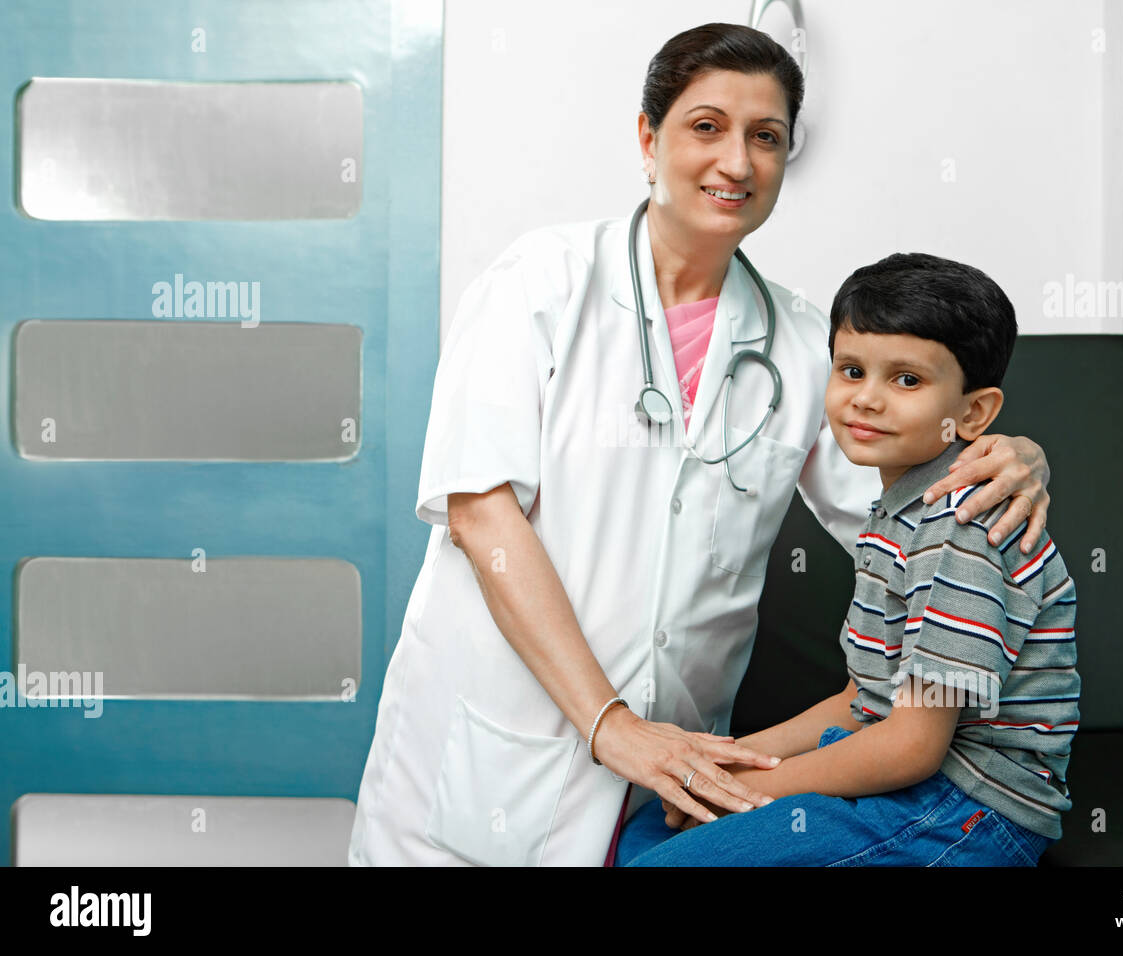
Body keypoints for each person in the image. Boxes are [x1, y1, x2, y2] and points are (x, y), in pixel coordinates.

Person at [347, 24, 1055, 868]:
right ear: (649, 139)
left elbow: (901, 508)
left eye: (768, 138)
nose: (738, 162)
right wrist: (609, 724)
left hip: (673, 763)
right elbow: (480, 511)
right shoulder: (538, 283)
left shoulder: (801, 342)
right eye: (707, 126)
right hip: (504, 740)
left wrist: (1006, 455)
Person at [614, 252, 1081, 866]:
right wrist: (725, 762)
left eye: (907, 380)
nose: (867, 400)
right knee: (649, 828)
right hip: (906, 775)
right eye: (851, 369)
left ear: (972, 413)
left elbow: (914, 747)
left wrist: (744, 791)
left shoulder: (961, 528)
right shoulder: (895, 512)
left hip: (966, 808)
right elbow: (862, 700)